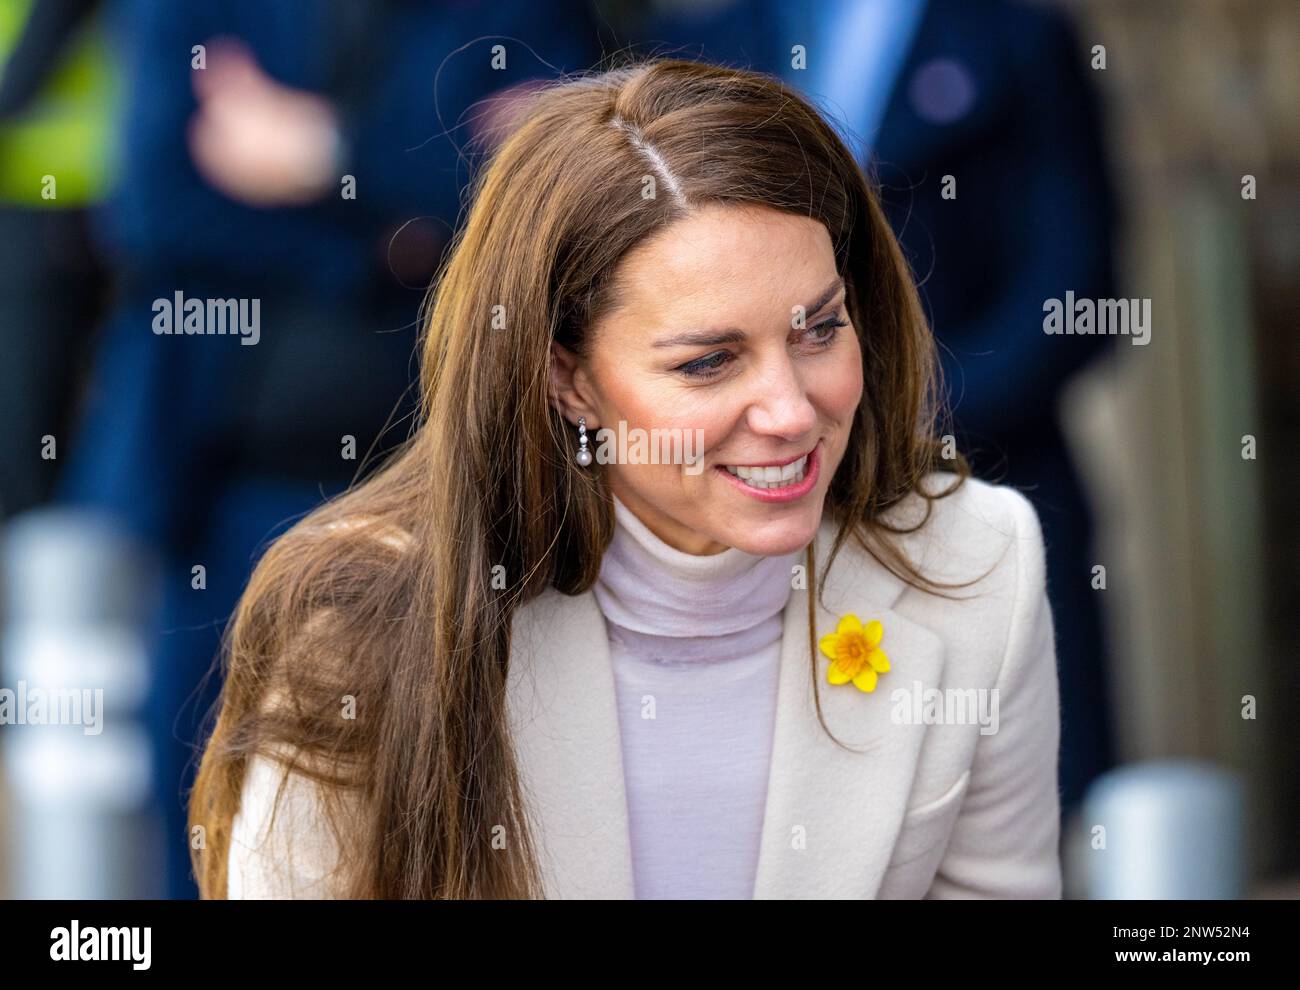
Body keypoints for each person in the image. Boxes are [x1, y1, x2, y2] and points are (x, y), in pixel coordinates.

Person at [189, 58, 1062, 899]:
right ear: (566, 379)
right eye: (710, 362)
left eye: (818, 330)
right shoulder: (362, 616)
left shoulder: (979, 563)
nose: (791, 411)